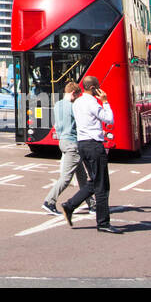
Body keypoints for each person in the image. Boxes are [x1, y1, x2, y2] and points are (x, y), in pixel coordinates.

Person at [61, 75, 118, 232]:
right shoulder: (93, 102)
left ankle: (70, 205)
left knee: (94, 180)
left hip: (83, 144)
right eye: (98, 86)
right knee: (102, 186)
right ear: (93, 88)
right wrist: (105, 101)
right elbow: (109, 119)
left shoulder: (77, 102)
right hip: (94, 145)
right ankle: (103, 223)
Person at [42, 82, 94, 214]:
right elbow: (81, 123)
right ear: (73, 93)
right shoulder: (73, 107)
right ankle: (49, 201)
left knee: (82, 176)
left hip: (63, 141)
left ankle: (92, 204)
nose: (77, 98)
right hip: (72, 143)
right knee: (66, 177)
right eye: (77, 95)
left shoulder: (58, 104)